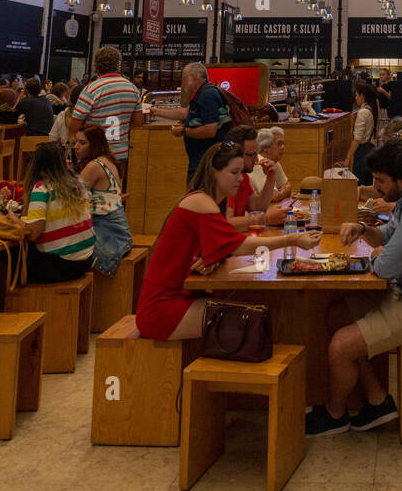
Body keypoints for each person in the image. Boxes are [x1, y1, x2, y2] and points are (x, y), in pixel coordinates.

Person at [305, 138, 402, 436]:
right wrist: (363, 230)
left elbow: (386, 267)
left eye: (380, 181)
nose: (375, 186)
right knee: (337, 314)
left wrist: (382, 255)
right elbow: (389, 234)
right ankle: (378, 401)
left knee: (340, 346)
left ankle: (335, 415)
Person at [136, 141, 320, 341]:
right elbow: (238, 245)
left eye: (242, 173)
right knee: (255, 319)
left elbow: (218, 247)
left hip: (178, 297)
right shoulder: (201, 202)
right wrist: (291, 239)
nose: (240, 179)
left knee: (256, 311)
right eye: (234, 173)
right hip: (161, 309)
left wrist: (211, 259)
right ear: (213, 172)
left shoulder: (204, 200)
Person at [15, 140, 95, 283]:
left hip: (61, 265)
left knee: (6, 256)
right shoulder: (77, 183)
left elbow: (33, 234)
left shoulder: (42, 188)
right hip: (86, 259)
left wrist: (12, 219)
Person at [71, 45, 143, 183]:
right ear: (118, 65)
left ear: (96, 66)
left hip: (96, 153)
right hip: (121, 152)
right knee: (116, 191)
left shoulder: (92, 89)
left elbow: (74, 126)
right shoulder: (132, 88)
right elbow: (138, 123)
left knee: (92, 194)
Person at [150, 62, 232, 180]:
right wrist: (157, 111)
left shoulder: (207, 95)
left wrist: (183, 131)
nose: (183, 84)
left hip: (205, 164)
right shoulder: (203, 93)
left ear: (192, 78)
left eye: (184, 79)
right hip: (201, 162)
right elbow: (184, 113)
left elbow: (210, 130)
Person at [73, 125, 133, 276]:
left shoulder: (94, 166)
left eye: (82, 143)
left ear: (94, 145)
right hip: (119, 232)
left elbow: (72, 199)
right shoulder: (107, 160)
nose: (76, 147)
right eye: (75, 142)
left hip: (107, 233)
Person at [224, 124, 288, 231]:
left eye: (256, 153)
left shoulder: (243, 176)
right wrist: (265, 219)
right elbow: (227, 223)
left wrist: (270, 179)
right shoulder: (226, 178)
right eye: (252, 155)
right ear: (235, 154)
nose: (256, 159)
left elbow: (257, 207)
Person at [345, 80, 379, 185]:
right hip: (371, 148)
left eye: (356, 95)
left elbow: (357, 139)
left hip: (363, 151)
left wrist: (347, 157)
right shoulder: (371, 109)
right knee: (368, 184)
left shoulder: (363, 112)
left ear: (362, 96)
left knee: (359, 185)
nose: (355, 98)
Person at [255, 125, 292, 200]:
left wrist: (280, 193)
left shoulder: (274, 162)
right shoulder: (260, 163)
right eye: (279, 144)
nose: (283, 147)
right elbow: (273, 196)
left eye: (283, 144)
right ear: (265, 147)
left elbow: (288, 185)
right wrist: (283, 192)